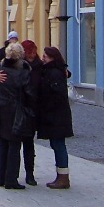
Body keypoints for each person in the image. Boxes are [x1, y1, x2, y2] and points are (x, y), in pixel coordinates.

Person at [0, 41, 34, 190]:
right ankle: (11, 179)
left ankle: (1, 178)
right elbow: (29, 92)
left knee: (3, 143)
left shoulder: (1, 68)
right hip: (16, 111)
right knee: (14, 145)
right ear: (20, 55)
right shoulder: (23, 70)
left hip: (2, 109)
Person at [36, 46, 74, 189]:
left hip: (57, 115)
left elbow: (56, 95)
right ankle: (61, 175)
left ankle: (63, 177)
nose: (43, 57)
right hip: (56, 115)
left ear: (52, 57)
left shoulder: (54, 73)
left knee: (58, 145)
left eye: (45, 56)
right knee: (56, 144)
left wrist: (46, 106)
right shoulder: (54, 70)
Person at [19, 40, 44, 185]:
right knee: (16, 143)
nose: (32, 55)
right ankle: (12, 173)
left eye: (34, 52)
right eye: (29, 52)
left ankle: (30, 173)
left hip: (34, 109)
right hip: (20, 108)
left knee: (29, 143)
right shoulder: (19, 65)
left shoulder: (40, 66)